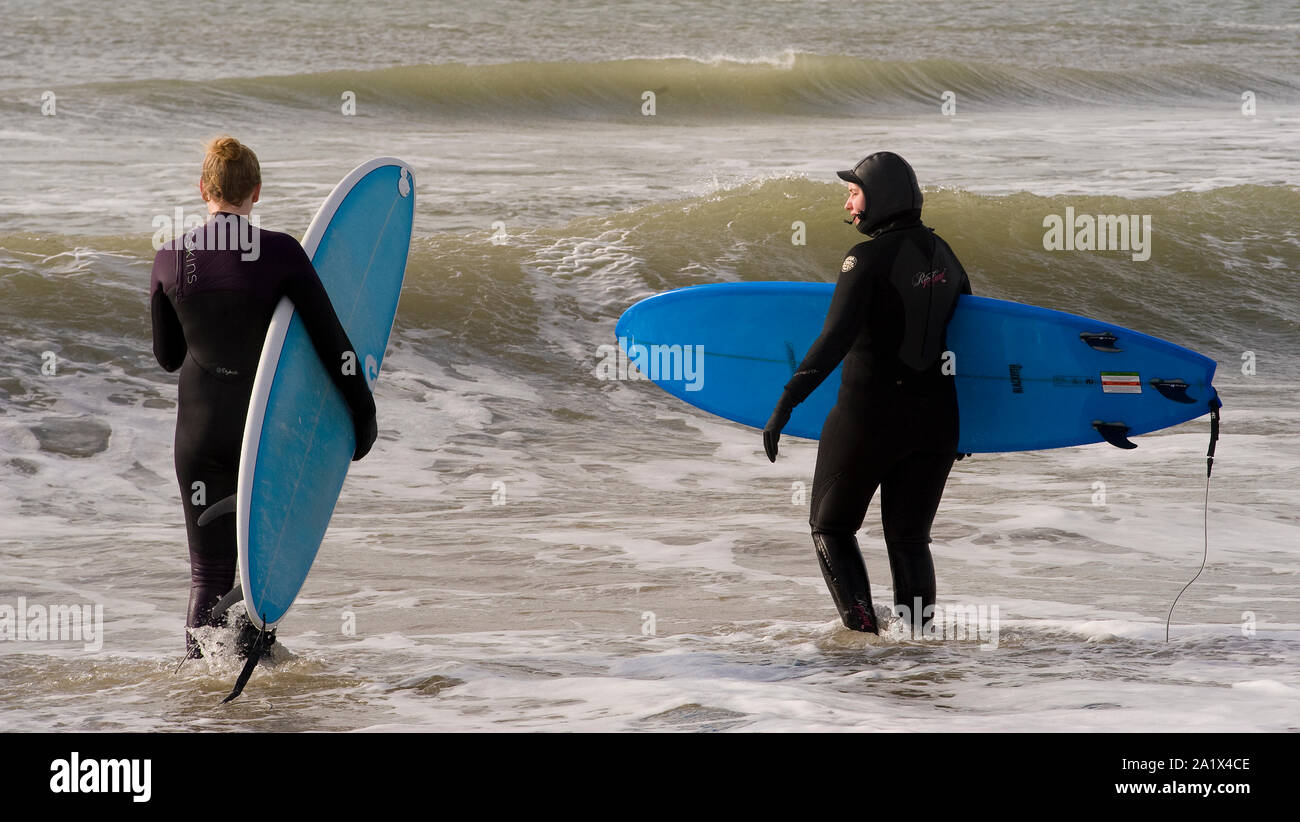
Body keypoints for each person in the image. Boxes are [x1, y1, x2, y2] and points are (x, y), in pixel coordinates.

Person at [150, 136, 378, 658]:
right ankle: (256, 678)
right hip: (262, 431)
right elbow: (332, 344)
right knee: (261, 575)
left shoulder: (170, 259)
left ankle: (202, 684)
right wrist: (361, 416)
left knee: (208, 573)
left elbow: (167, 356)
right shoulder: (280, 254)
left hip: (199, 434)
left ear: (202, 189)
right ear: (256, 191)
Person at [763, 151, 971, 635]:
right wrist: (966, 426)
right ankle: (916, 649)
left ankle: (864, 639)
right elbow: (971, 343)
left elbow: (834, 340)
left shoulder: (865, 258)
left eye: (854, 193)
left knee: (831, 528)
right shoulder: (946, 254)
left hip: (871, 417)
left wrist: (787, 401)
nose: (849, 203)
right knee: (909, 540)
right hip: (937, 422)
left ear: (881, 199)